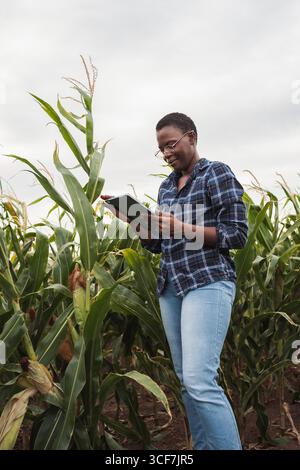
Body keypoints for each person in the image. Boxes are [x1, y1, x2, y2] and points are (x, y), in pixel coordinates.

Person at [101, 112, 248, 450]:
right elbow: (159, 244)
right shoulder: (167, 186)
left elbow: (236, 234)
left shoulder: (216, 174)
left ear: (191, 137)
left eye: (171, 145)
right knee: (185, 382)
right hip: (172, 288)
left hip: (207, 281)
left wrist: (183, 228)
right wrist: (137, 222)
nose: (167, 154)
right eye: (161, 150)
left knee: (200, 380)